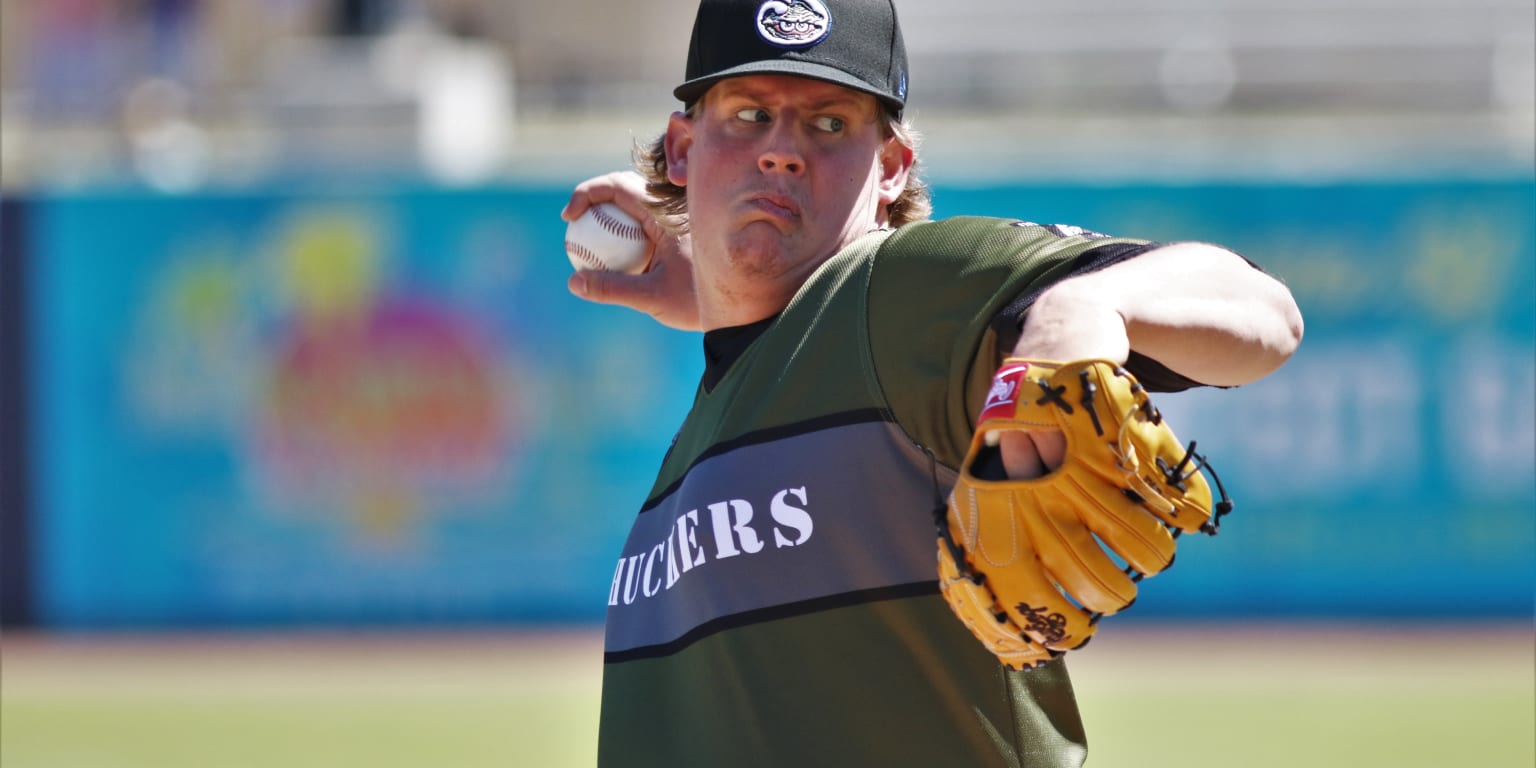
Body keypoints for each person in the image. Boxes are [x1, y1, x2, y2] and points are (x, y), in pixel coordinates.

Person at [561, 0, 1304, 765]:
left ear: (889, 169)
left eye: (828, 123)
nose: (781, 151)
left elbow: (1265, 312)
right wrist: (719, 287)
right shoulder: (733, 392)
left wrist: (1077, 309)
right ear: (681, 150)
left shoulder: (898, 290)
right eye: (749, 114)